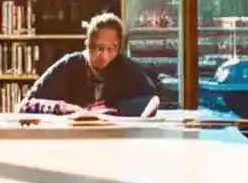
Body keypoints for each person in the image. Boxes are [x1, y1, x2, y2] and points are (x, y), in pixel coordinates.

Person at [17, 12, 160, 117]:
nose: (105, 56)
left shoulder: (124, 66)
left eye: (112, 49)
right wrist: (66, 108)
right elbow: (25, 105)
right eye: (100, 48)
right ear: (89, 45)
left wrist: (117, 110)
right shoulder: (69, 65)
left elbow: (150, 98)